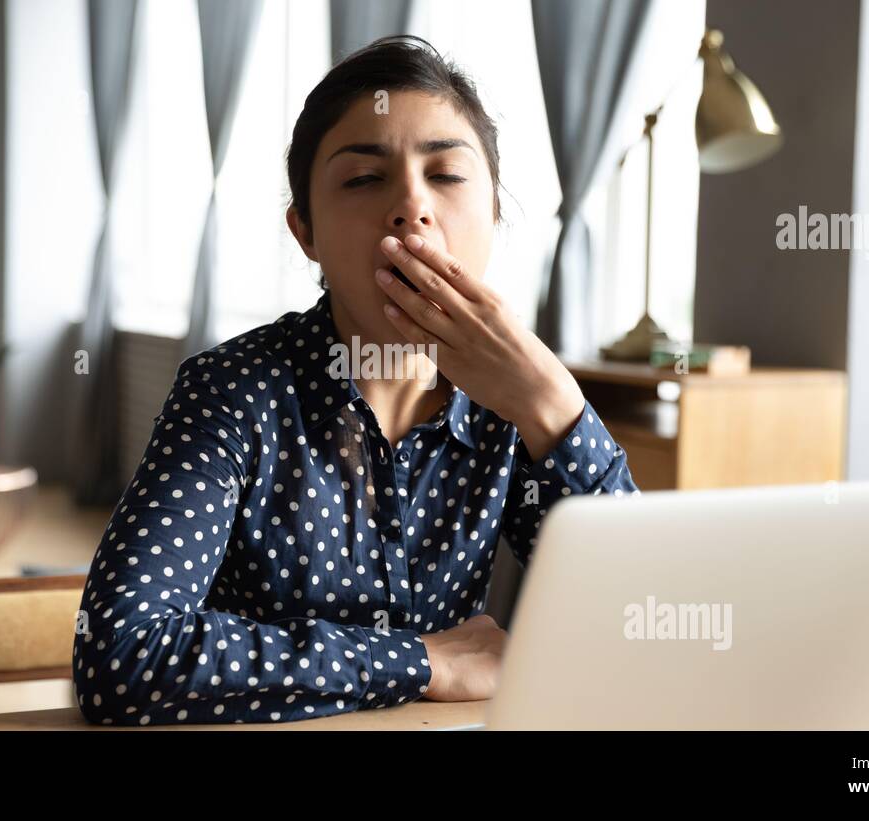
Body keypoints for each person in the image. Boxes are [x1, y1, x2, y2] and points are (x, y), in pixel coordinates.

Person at [73, 35, 638, 726]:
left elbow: (633, 627)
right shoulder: (232, 392)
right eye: (365, 179)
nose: (411, 207)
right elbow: (120, 654)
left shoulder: (515, 405)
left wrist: (553, 404)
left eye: (448, 175)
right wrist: (424, 658)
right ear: (304, 232)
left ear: (493, 213)